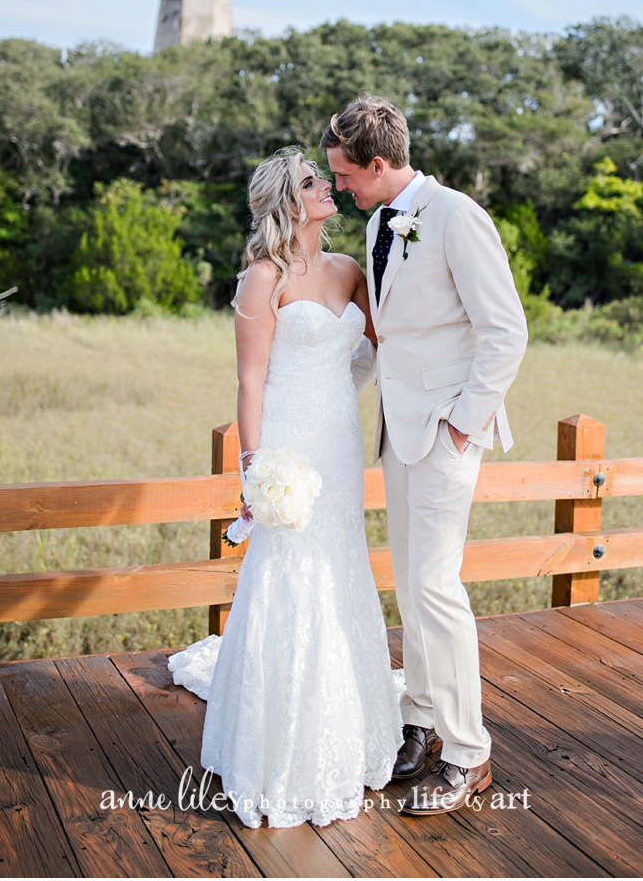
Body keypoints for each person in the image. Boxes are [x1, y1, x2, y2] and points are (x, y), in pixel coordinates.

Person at [168, 149, 402, 829]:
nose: (326, 186)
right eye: (311, 181)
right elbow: (249, 382)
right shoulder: (261, 280)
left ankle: (348, 734)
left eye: (322, 179)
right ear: (286, 202)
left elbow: (379, 346)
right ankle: (280, 751)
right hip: (289, 449)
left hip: (340, 441)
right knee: (290, 577)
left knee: (341, 572)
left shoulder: (351, 270)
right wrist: (255, 469)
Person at [321, 95, 528, 817]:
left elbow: (506, 330)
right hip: (395, 431)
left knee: (437, 586)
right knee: (410, 584)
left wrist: (465, 424)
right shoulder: (382, 220)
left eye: (344, 174)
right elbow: (389, 338)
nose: (340, 186)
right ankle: (422, 720)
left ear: (378, 164)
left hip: (444, 431)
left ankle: (470, 754)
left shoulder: (457, 216)